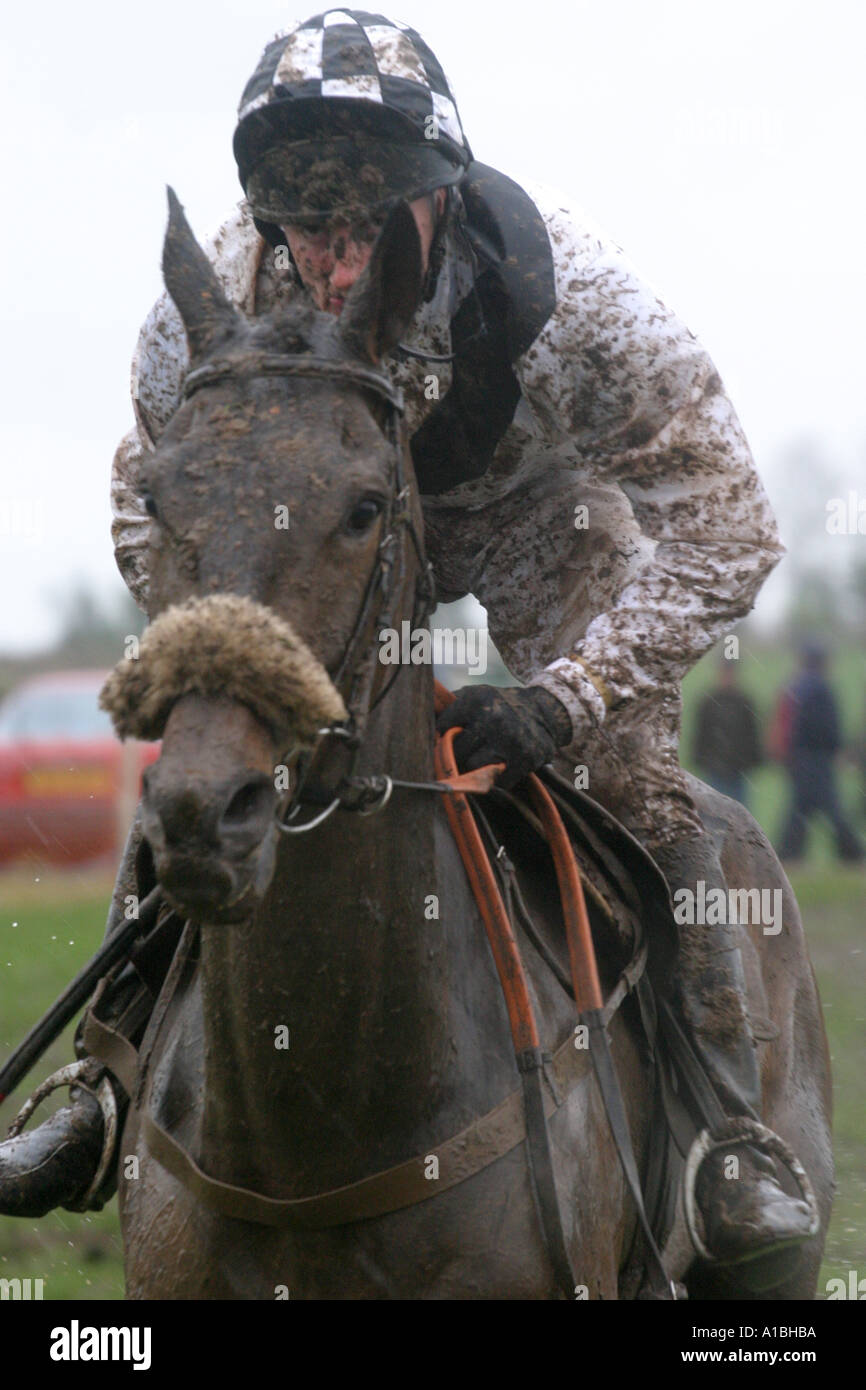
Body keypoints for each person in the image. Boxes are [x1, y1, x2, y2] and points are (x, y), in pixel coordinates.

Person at [0, 11, 815, 1276]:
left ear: (433, 202)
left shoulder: (580, 307)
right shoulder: (203, 314)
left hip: (536, 538)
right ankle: (101, 1081)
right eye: (305, 232)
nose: (330, 267)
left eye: (363, 231)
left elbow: (730, 519)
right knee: (207, 775)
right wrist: (227, 654)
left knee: (638, 787)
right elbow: (143, 497)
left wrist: (567, 693)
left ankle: (727, 1136)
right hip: (319, 548)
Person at [778, 641, 865, 863]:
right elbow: (827, 727)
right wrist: (837, 749)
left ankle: (788, 854)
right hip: (817, 759)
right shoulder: (821, 689)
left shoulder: (797, 686)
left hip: (800, 758)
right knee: (830, 809)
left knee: (799, 809)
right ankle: (852, 853)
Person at [692, 657, 762, 806]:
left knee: (741, 812)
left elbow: (752, 734)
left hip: (738, 769)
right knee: (713, 812)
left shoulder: (744, 701)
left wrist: (753, 760)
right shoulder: (708, 702)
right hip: (714, 769)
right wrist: (701, 759)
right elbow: (701, 734)